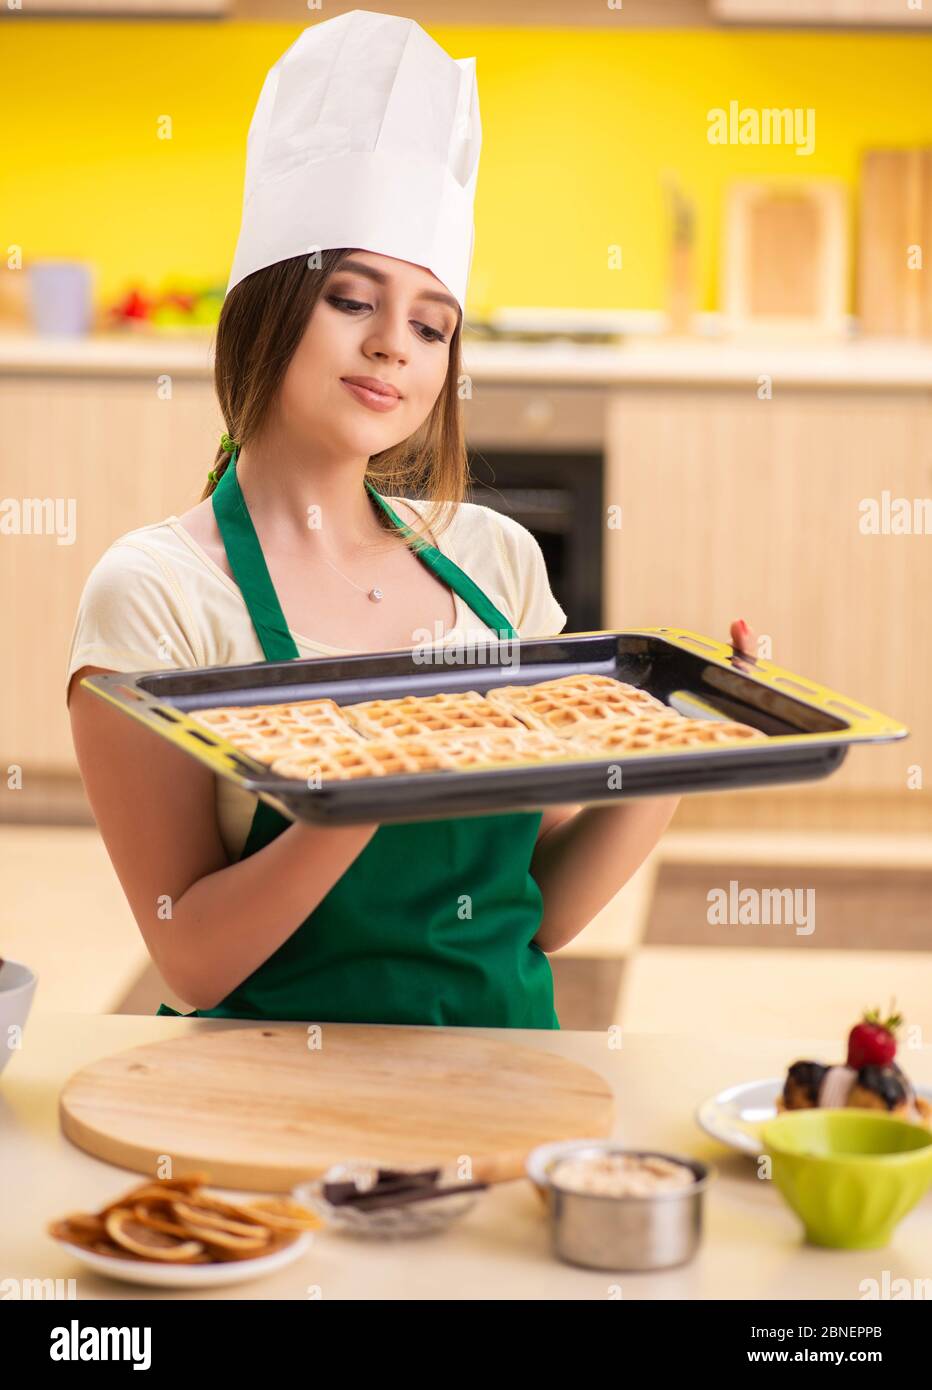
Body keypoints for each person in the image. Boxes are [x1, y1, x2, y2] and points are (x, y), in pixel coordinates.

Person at [65, 13, 755, 1027]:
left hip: (505, 1087)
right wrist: (367, 791)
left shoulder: (494, 561)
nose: (394, 344)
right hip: (265, 1112)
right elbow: (192, 961)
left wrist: (678, 745)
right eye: (352, 301)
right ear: (264, 307)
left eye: (431, 324)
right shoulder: (157, 596)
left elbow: (545, 908)